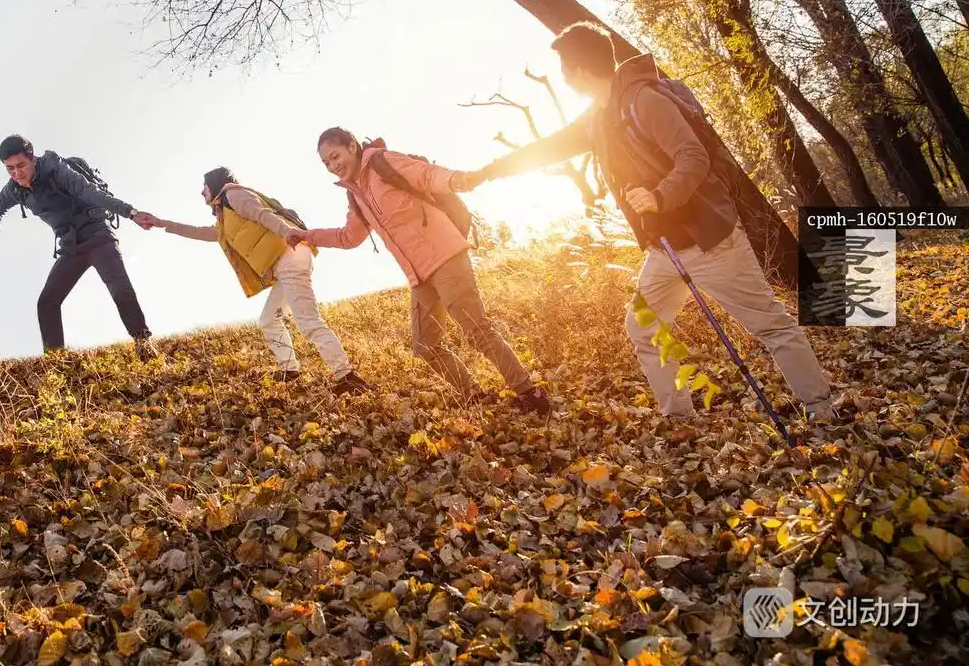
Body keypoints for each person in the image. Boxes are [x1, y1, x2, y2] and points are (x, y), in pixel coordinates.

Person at [475, 21, 834, 422]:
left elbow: (692, 156)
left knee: (770, 325)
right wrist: (489, 172)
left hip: (711, 241)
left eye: (563, 68)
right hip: (664, 251)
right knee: (643, 329)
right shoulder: (596, 118)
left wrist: (660, 196)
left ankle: (821, 410)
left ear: (576, 71)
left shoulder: (643, 100)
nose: (562, 77)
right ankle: (679, 417)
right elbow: (549, 148)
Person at [286, 129, 551, 415]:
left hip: (445, 255)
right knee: (426, 345)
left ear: (352, 147)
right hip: (419, 275)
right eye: (326, 163)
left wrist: (456, 179)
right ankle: (474, 396)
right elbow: (350, 237)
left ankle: (528, 391)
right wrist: (307, 236)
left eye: (335, 156)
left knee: (476, 329)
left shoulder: (383, 162)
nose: (333, 165)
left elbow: (426, 175)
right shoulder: (356, 196)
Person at [144, 167, 371, 395]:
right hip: (285, 262)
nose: (200, 192)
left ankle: (348, 378)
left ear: (214, 183)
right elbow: (202, 233)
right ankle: (289, 369)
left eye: (203, 186)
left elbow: (262, 214)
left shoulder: (233, 194)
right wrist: (163, 223)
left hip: (290, 254)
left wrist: (287, 232)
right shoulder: (224, 215)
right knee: (269, 319)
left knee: (308, 320)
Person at [0, 135, 161, 360]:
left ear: (32, 159)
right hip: (70, 248)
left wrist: (131, 213)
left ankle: (144, 345)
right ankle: (56, 362)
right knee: (47, 302)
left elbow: (91, 193)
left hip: (97, 236)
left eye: (21, 165)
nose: (16, 173)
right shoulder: (14, 190)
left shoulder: (56, 170)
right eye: (9, 168)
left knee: (120, 288)